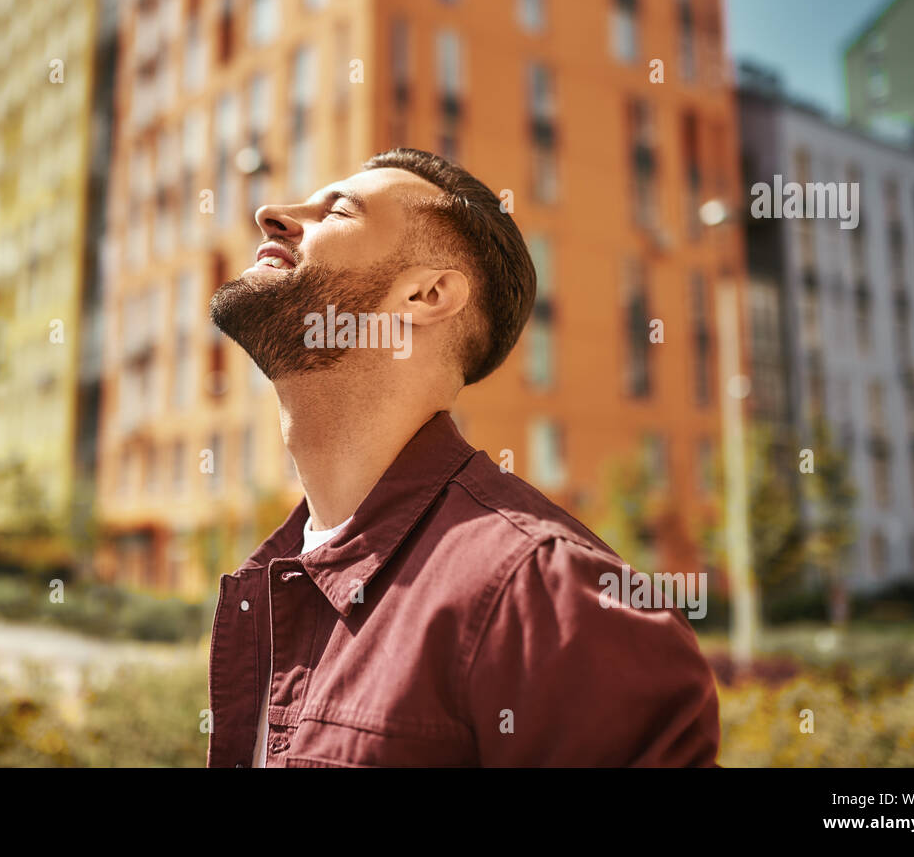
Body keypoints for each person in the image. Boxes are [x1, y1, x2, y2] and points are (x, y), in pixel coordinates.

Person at [206, 147, 720, 767]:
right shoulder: (276, 576)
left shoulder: (545, 592)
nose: (271, 213)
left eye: (337, 210)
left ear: (425, 295)